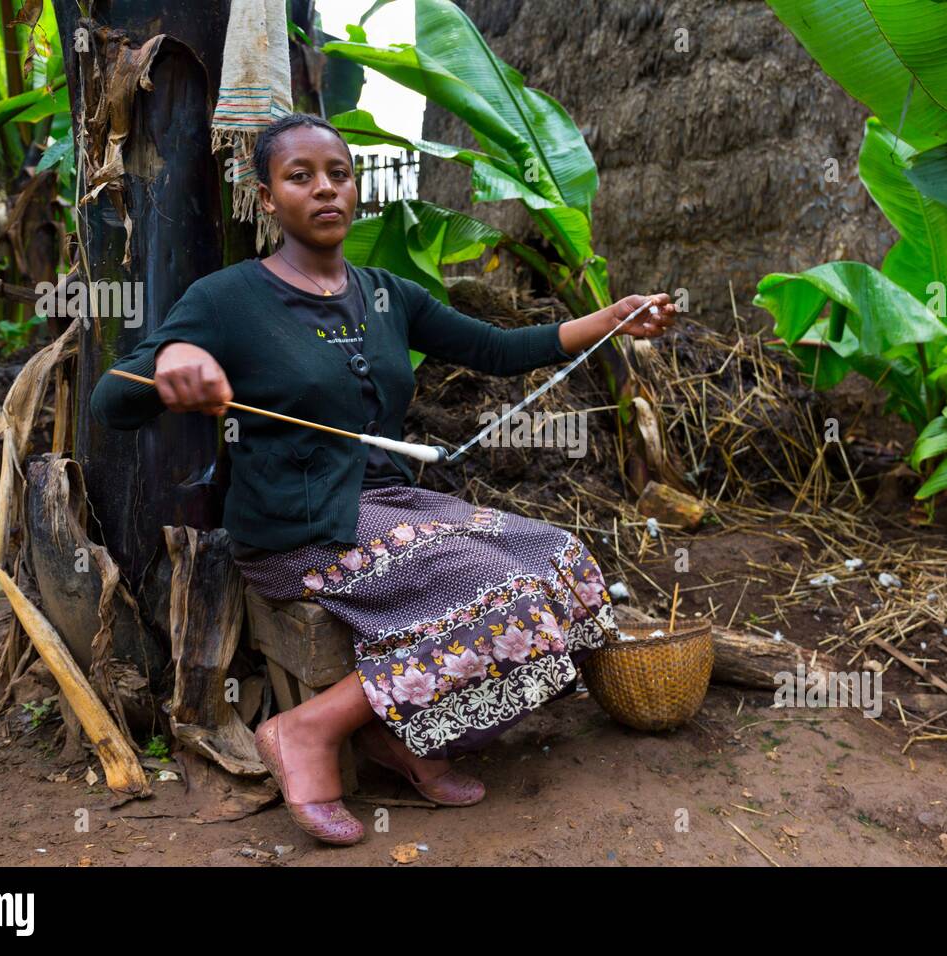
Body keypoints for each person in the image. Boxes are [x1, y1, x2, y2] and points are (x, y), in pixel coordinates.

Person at [89, 113, 677, 846]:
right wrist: (175, 356)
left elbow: (497, 349)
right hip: (298, 526)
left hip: (391, 502)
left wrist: (612, 318)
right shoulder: (227, 298)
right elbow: (112, 401)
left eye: (338, 173)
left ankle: (399, 737)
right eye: (299, 177)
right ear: (267, 199)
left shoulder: (387, 294)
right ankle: (307, 731)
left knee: (561, 561)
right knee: (496, 592)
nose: (325, 189)